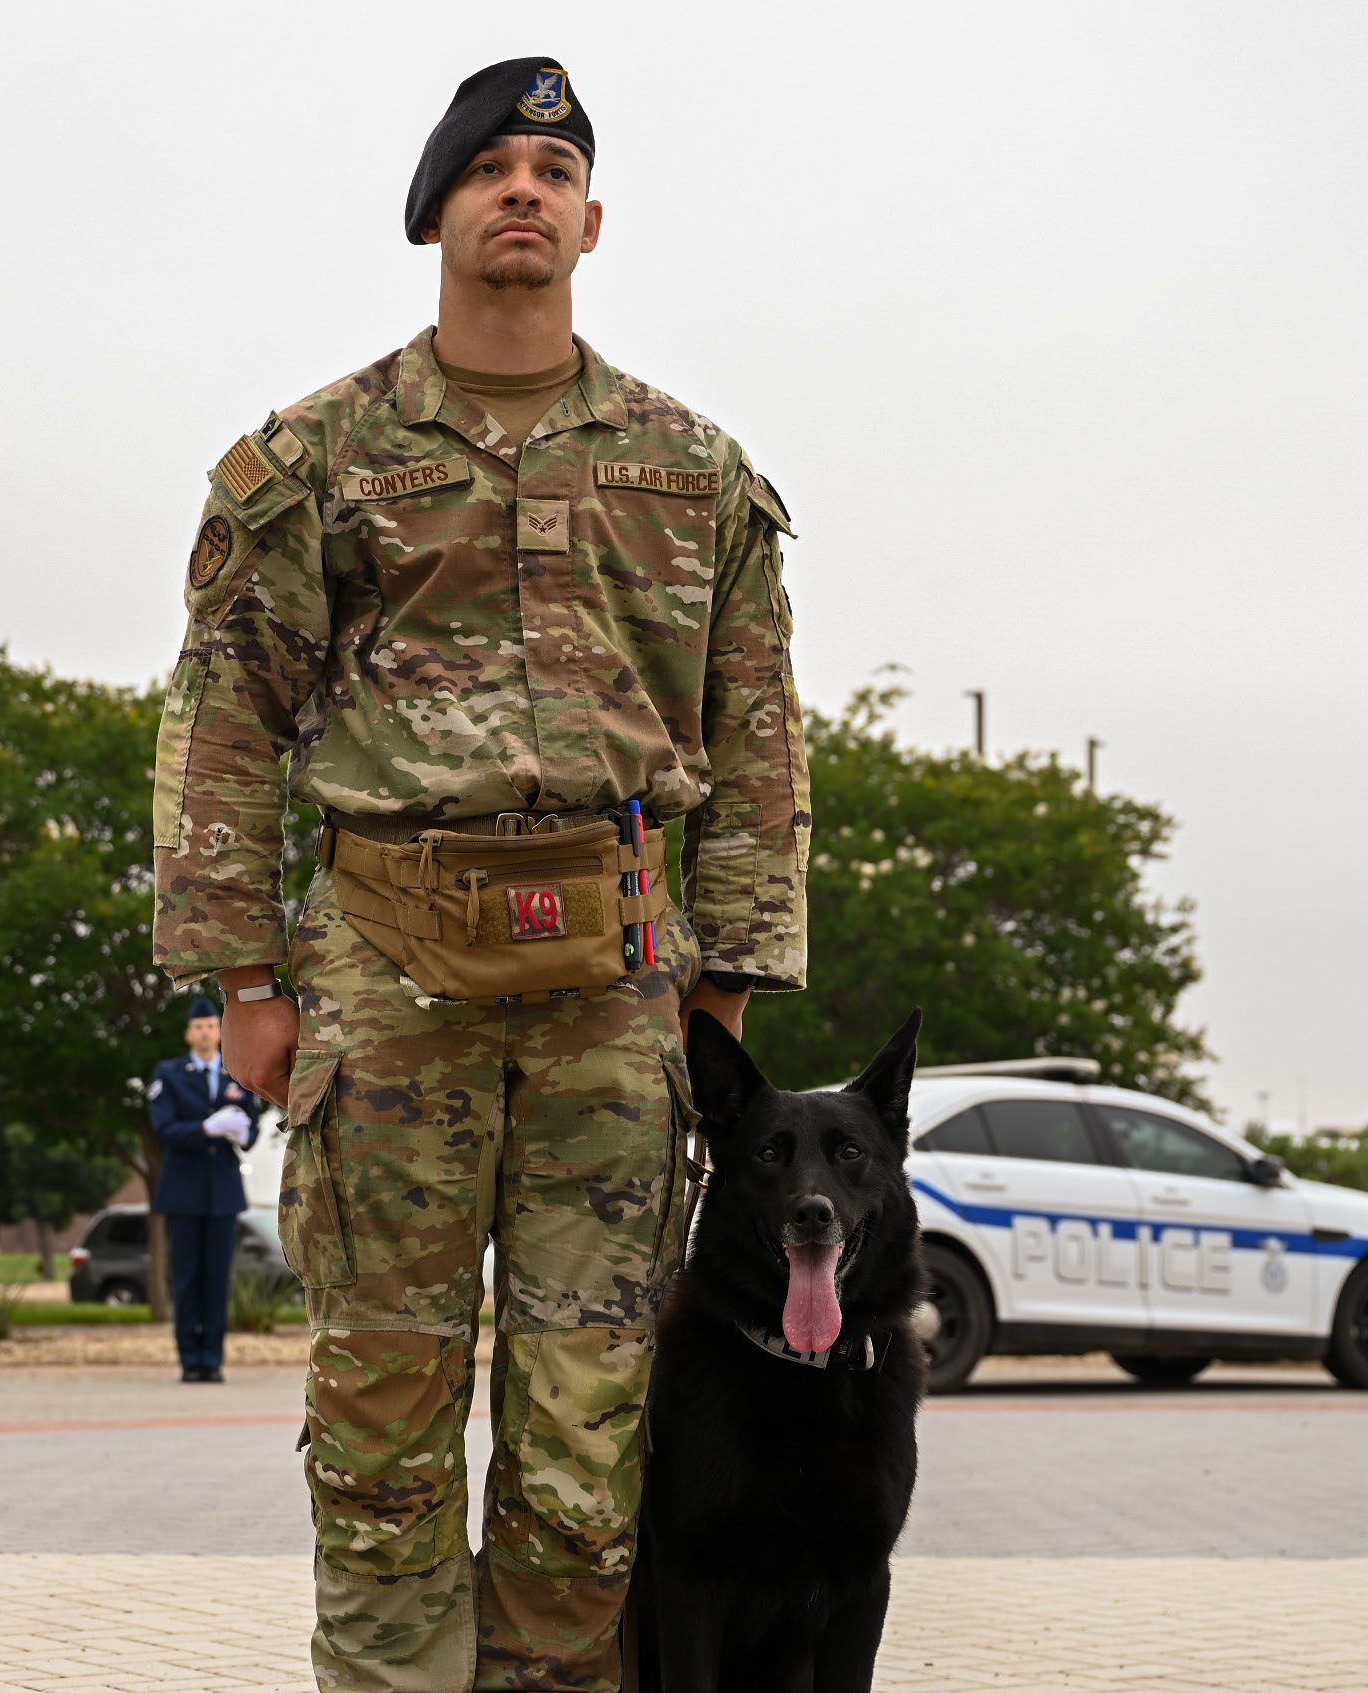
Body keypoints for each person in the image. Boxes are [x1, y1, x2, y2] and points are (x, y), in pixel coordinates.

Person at [150, 55, 808, 1691]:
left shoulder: (695, 474)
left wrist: (720, 992)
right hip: (386, 970)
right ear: (433, 210)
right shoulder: (313, 459)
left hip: (615, 991)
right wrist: (242, 985)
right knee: (381, 1420)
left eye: (555, 169)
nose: (524, 189)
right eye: (490, 166)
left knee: (587, 1444)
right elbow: (224, 711)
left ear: (595, 222)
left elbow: (755, 735)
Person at [146, 995, 258, 1383]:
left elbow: (252, 1129)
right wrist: (205, 1128)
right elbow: (164, 1129)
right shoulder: (170, 1073)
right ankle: (189, 1360)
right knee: (187, 1279)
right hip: (183, 1192)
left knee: (217, 1279)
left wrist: (244, 1132)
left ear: (221, 1032)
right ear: (188, 1034)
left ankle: (212, 1359)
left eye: (211, 1025)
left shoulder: (237, 1073)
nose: (205, 1032)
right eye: (198, 1027)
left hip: (223, 1193)